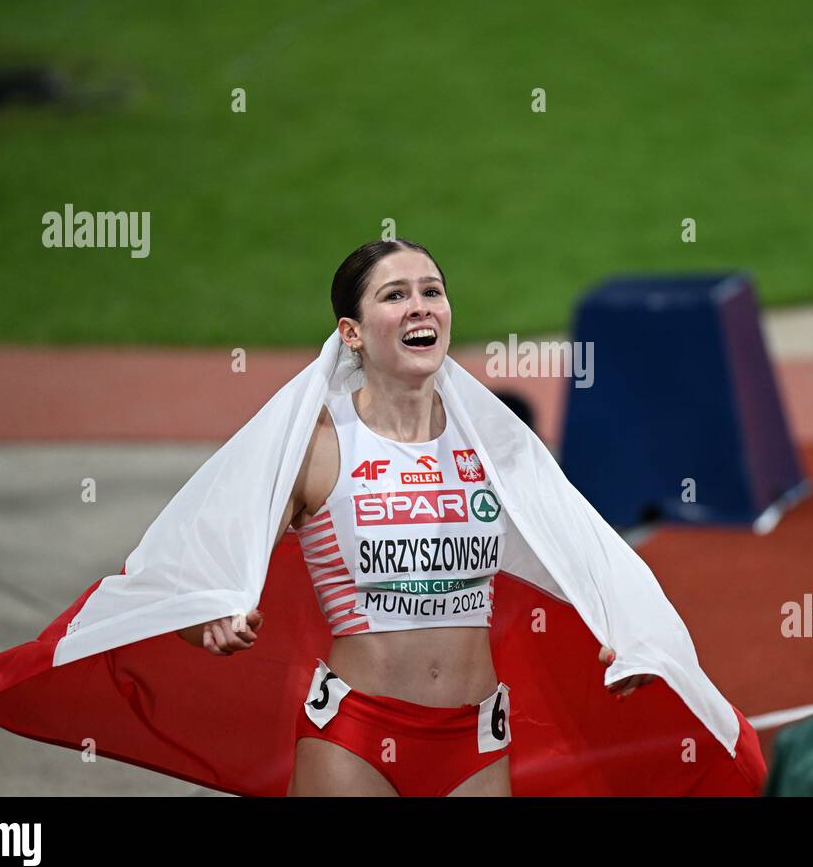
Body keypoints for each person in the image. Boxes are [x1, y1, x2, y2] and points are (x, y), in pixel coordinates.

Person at [175, 239, 657, 796]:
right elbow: (199, 579)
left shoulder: (492, 443)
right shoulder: (317, 449)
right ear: (351, 332)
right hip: (353, 737)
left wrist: (629, 629)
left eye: (432, 291)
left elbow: (582, 549)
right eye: (395, 295)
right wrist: (212, 622)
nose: (420, 306)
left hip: (475, 741)